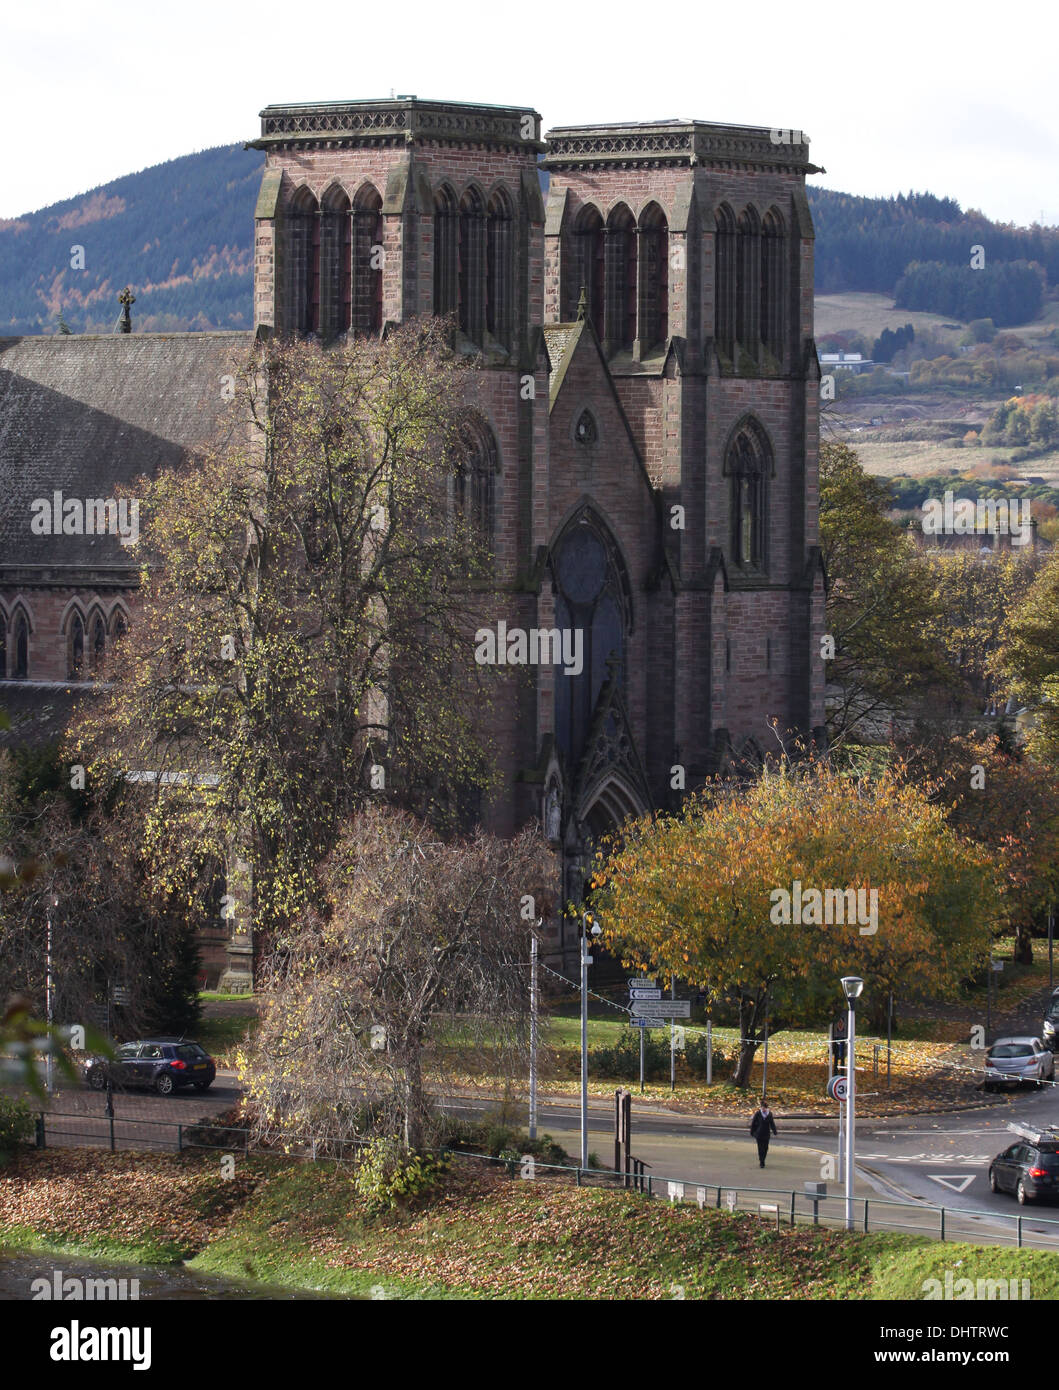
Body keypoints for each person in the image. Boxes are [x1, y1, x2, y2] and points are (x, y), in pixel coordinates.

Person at [750, 1101, 778, 1169]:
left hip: (766, 1134)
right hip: (759, 1134)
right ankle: (762, 1162)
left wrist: (775, 1131)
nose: (763, 1109)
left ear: (766, 1108)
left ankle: (763, 1159)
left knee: (766, 1148)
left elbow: (772, 1123)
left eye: (764, 1108)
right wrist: (752, 1131)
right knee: (760, 1148)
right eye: (762, 1108)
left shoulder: (769, 1114)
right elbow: (753, 1123)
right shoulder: (758, 1113)